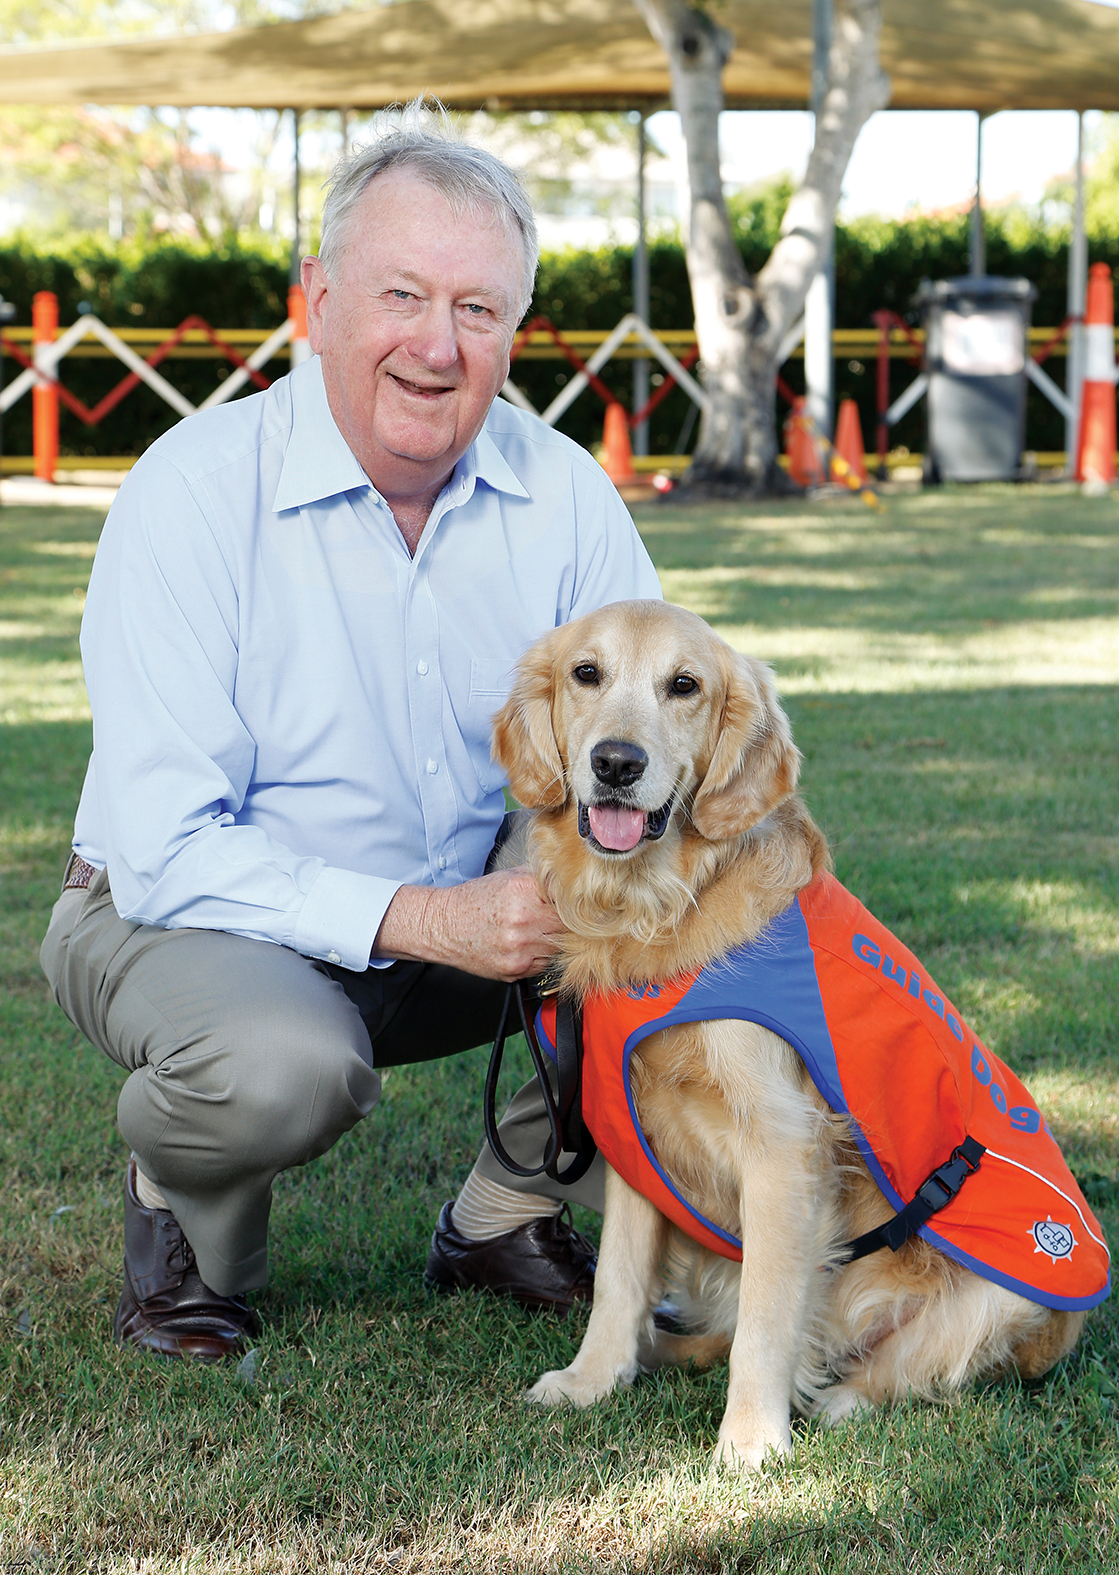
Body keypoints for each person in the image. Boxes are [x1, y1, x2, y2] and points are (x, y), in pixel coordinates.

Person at [39, 105, 661, 1361]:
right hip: (174, 915)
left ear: (514, 333)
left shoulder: (564, 495)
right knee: (285, 1061)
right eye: (401, 296)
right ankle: (181, 1225)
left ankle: (502, 1213)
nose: (437, 346)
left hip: (465, 919)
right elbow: (164, 847)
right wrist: (435, 919)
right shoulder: (192, 492)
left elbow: (648, 734)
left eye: (478, 310)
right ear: (314, 300)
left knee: (683, 932)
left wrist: (558, 883)